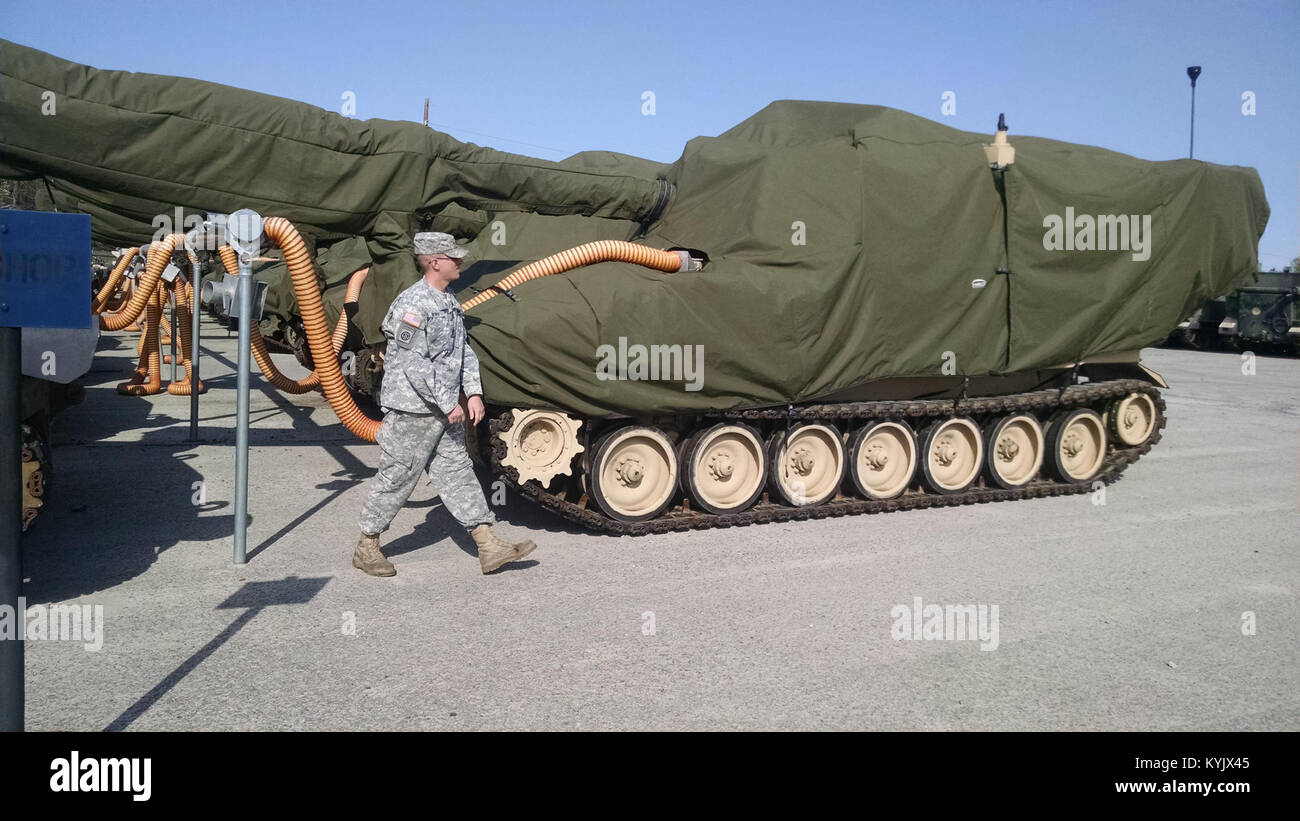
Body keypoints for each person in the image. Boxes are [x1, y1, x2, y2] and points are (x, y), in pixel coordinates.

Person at [354, 232, 537, 577]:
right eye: (453, 257)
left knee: (457, 473)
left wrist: (473, 392)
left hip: (442, 410)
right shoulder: (413, 305)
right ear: (434, 261)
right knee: (397, 477)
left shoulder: (448, 301)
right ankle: (367, 546)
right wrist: (447, 401)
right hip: (413, 410)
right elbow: (413, 363)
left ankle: (487, 545)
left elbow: (461, 351)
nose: (460, 261)